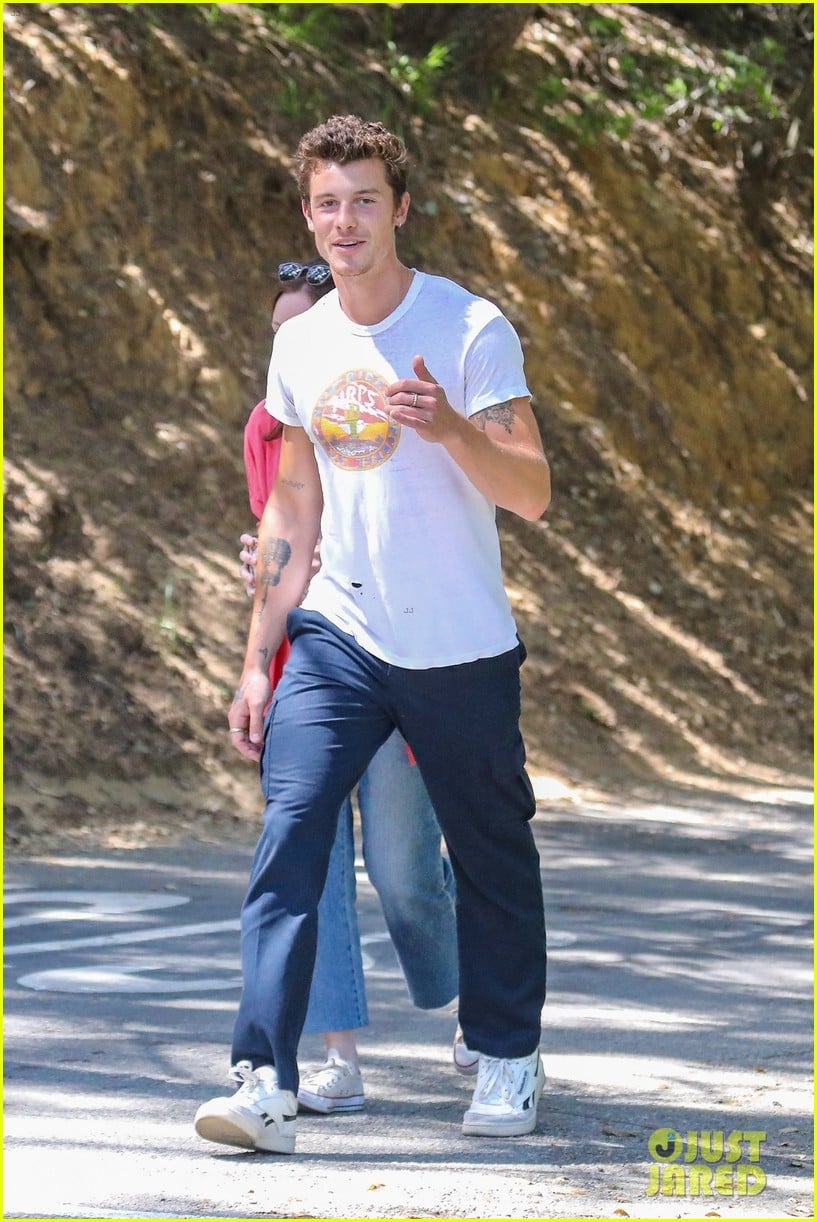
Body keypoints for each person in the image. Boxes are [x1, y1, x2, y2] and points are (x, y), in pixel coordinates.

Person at [195, 114, 550, 1155]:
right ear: (307, 216)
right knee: (292, 829)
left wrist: (447, 425)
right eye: (326, 203)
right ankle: (265, 1077)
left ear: (399, 208)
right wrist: (257, 658)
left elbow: (531, 491)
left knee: (486, 851)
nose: (343, 221)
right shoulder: (299, 344)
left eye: (362, 200)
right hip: (339, 634)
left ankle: (506, 1050)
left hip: (457, 643)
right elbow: (292, 504)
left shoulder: (469, 325)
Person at [237, 259, 470, 1115]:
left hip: (396, 655)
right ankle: (338, 1059)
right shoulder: (268, 425)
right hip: (308, 667)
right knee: (311, 861)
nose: (288, 346)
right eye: (277, 333)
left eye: (301, 328)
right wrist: (256, 660)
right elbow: (281, 539)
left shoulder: (392, 401)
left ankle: (477, 1003)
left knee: (405, 873)